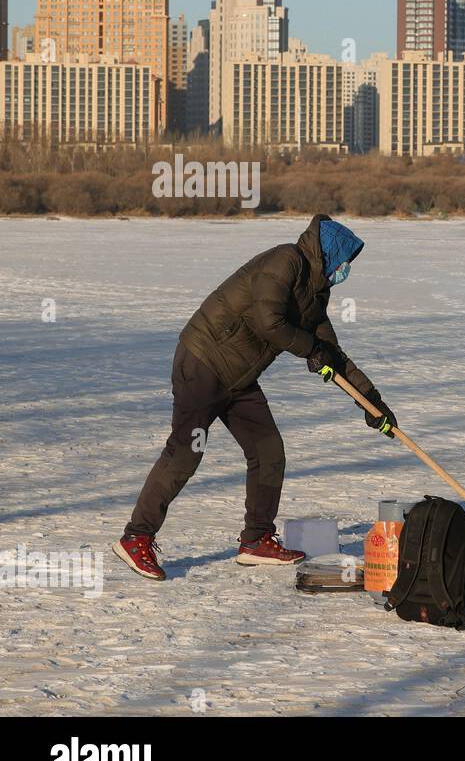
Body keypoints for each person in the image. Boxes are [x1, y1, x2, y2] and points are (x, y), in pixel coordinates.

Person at [115, 214, 397, 581]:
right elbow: (270, 322)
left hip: (239, 378)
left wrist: (372, 404)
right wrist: (310, 348)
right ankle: (136, 537)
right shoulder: (285, 261)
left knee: (268, 451)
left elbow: (332, 354)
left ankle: (256, 539)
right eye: (344, 261)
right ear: (329, 255)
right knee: (186, 451)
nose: (346, 270)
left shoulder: (315, 294)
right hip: (203, 363)